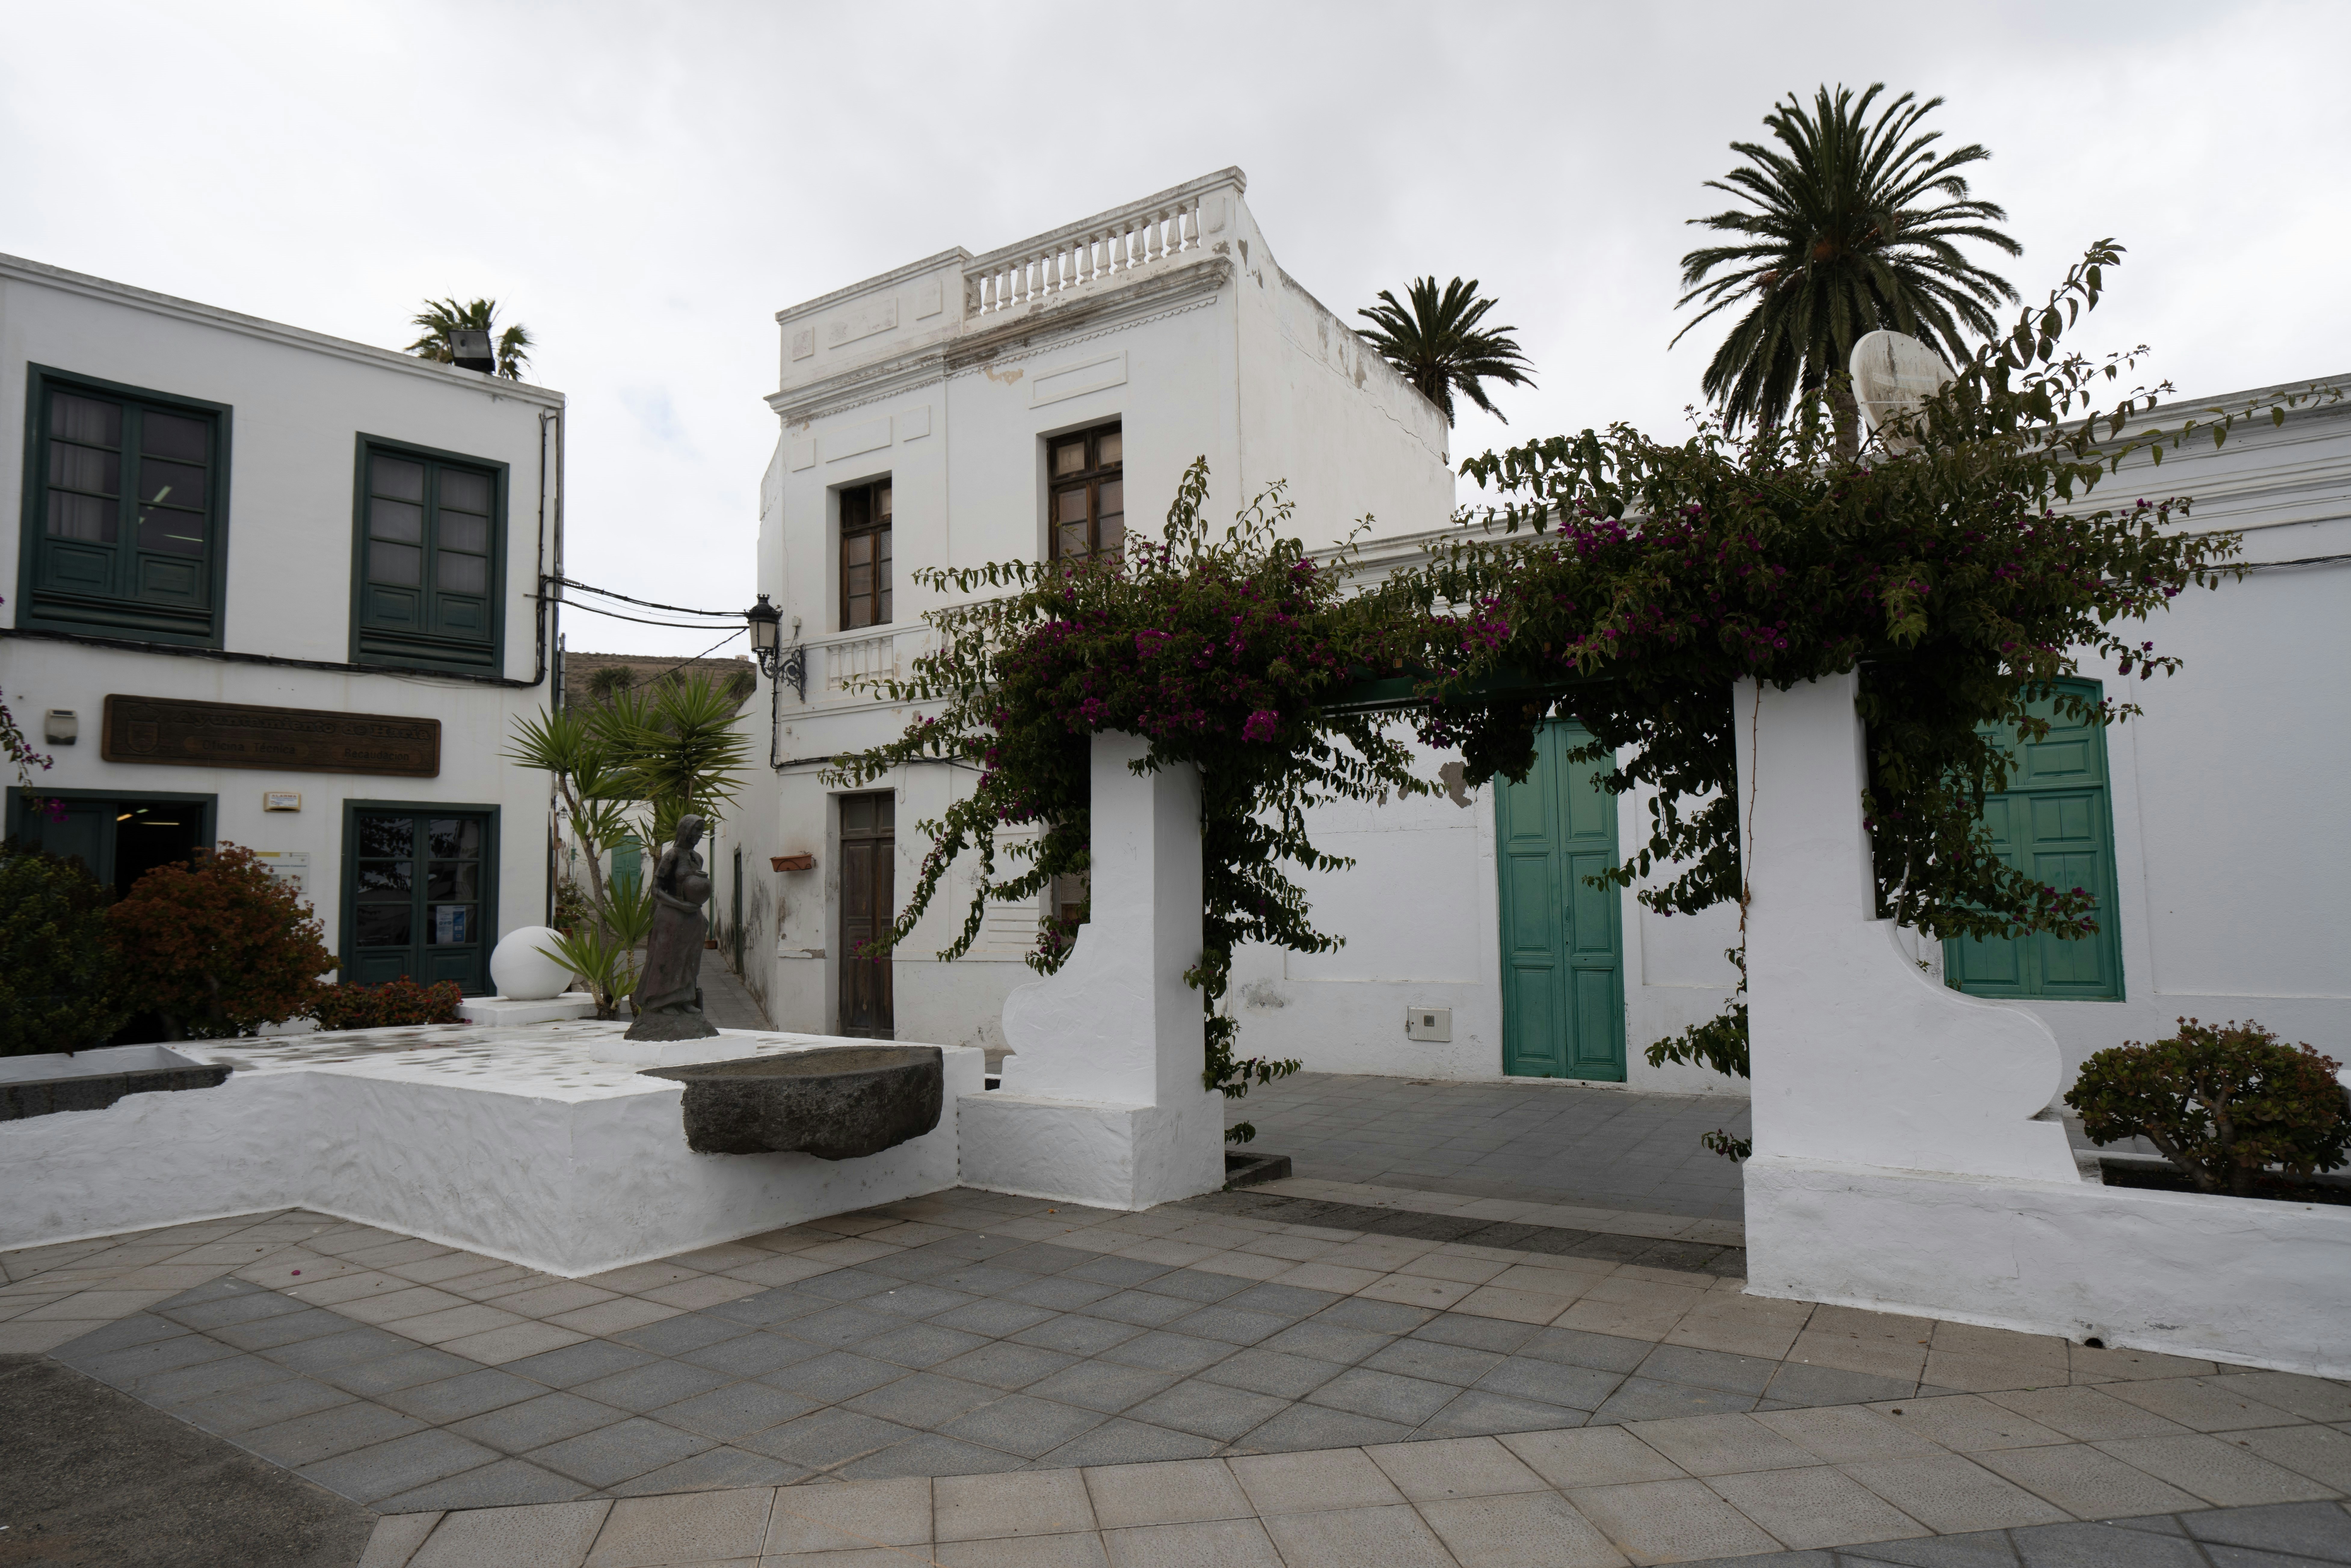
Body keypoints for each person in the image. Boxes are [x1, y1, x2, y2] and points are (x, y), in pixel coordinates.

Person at [626, 813, 717, 1038]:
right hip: (671, 916)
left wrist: (695, 909)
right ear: (684, 831)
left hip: (691, 917)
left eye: (701, 832)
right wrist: (680, 906)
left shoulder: (697, 858)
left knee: (689, 959)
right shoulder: (672, 856)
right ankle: (661, 1002)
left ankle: (683, 999)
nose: (698, 836)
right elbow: (656, 891)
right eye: (695, 831)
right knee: (667, 959)